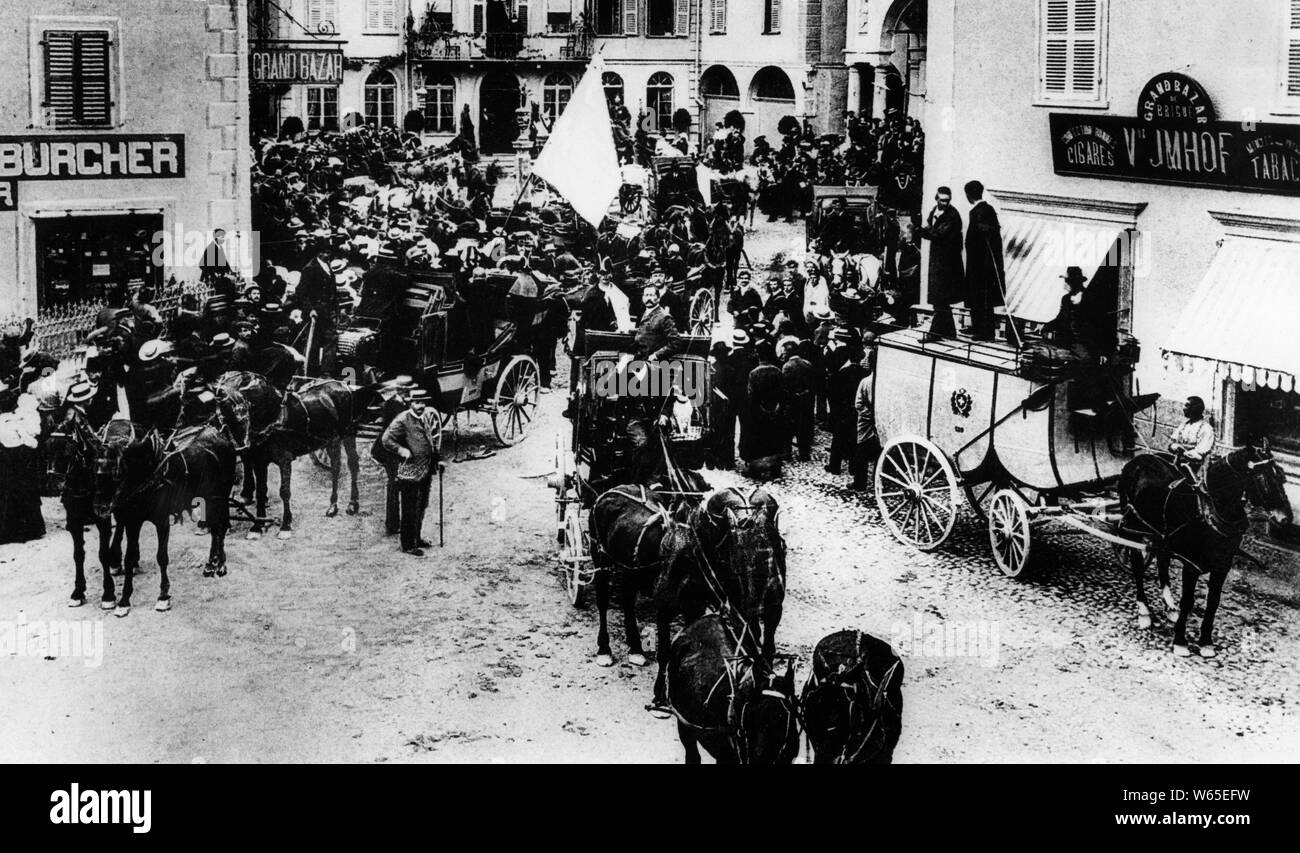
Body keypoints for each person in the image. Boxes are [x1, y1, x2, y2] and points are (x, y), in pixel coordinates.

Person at [381, 389, 445, 556]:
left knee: (422, 505)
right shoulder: (402, 419)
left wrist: (437, 460)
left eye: (423, 402)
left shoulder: (425, 417)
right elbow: (386, 439)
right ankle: (408, 544)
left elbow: (430, 441)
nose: (421, 406)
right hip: (409, 471)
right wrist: (402, 451)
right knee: (410, 508)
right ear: (410, 403)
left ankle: (417, 537)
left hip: (425, 469)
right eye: (417, 402)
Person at [919, 186, 964, 341]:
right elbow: (928, 234)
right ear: (936, 198)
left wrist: (925, 228)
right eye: (942, 200)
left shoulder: (952, 215)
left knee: (940, 298)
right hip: (937, 260)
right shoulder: (934, 211)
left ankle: (935, 334)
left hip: (947, 264)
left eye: (947, 200)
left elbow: (939, 235)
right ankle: (949, 332)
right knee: (940, 299)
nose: (945, 203)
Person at [963, 180, 1005, 341]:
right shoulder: (987, 210)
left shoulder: (978, 212)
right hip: (984, 264)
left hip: (979, 265)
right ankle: (980, 328)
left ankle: (984, 332)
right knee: (981, 297)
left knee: (981, 298)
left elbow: (979, 237)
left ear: (968, 195)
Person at [1168, 396, 1215, 479]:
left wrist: (1184, 451)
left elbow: (1200, 452)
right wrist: (1174, 446)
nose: (1184, 408)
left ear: (1195, 408)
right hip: (1178, 462)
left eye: (1187, 405)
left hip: (1195, 468)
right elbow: (1172, 441)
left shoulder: (1206, 429)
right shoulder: (1184, 425)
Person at [633, 282, 680, 362]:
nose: (648, 298)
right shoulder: (644, 313)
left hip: (654, 362)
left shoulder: (664, 317)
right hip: (640, 358)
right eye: (646, 295)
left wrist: (656, 355)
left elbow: (676, 342)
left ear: (658, 298)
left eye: (652, 295)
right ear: (643, 298)